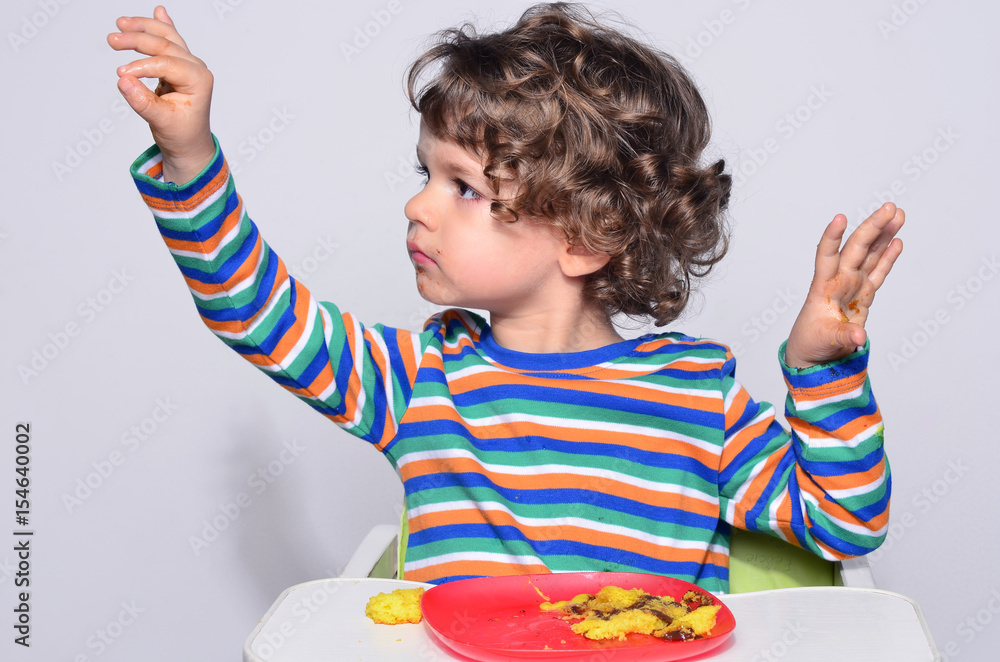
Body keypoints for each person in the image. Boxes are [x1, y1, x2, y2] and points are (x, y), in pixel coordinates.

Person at [108, 3, 903, 592]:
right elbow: (257, 311)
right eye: (427, 174)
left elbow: (845, 521)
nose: (418, 205)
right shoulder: (419, 377)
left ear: (583, 236)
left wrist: (823, 369)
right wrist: (191, 160)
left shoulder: (696, 394)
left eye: (464, 188)